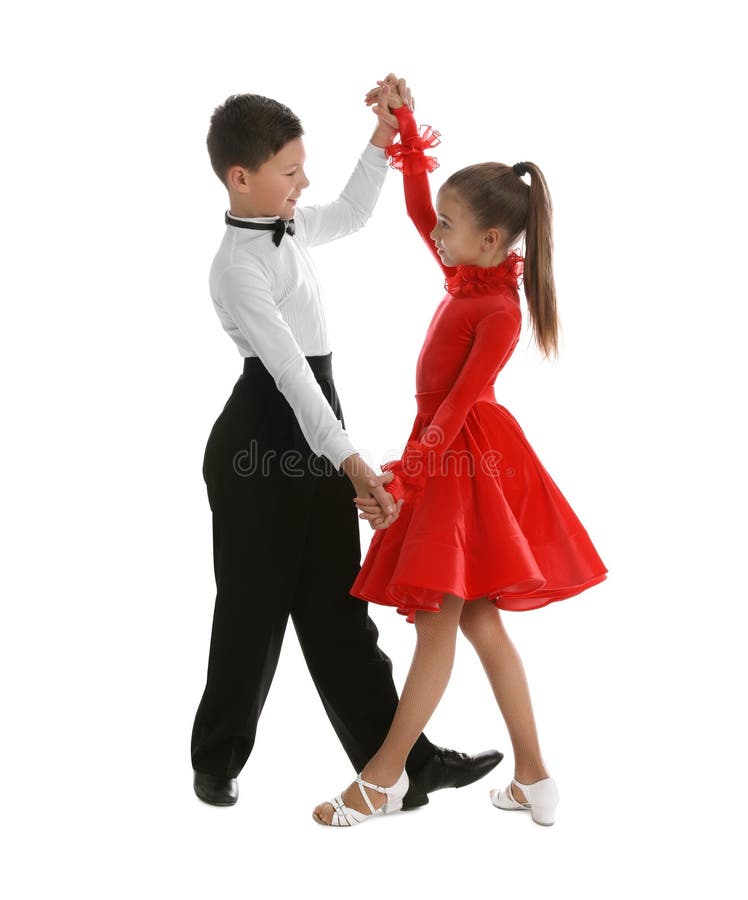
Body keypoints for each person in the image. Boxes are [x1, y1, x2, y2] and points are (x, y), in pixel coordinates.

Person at [190, 77, 504, 810]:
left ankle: (406, 764)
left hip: (315, 434)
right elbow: (295, 382)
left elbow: (358, 213)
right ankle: (216, 759)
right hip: (261, 443)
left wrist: (385, 134)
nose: (306, 182)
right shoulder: (238, 267)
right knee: (251, 608)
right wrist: (356, 465)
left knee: (339, 609)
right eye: (292, 172)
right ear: (243, 177)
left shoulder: (289, 225)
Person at [312, 77, 608, 827]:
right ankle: (535, 777)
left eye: (450, 226)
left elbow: (455, 407)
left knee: (444, 621)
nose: (434, 233)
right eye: (441, 225)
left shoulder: (498, 311)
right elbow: (417, 210)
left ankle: (382, 780)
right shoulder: (464, 271)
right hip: (450, 451)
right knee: (478, 621)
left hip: (460, 459)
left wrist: (410, 475)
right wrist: (405, 131)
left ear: (492, 241)